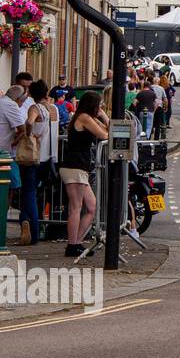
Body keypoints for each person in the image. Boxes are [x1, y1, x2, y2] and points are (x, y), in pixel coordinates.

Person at [60, 90, 110, 258]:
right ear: (93, 105)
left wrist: (104, 116)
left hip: (80, 167)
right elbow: (104, 135)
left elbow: (110, 131)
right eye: (99, 105)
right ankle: (72, 245)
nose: (101, 107)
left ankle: (77, 242)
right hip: (74, 166)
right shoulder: (84, 118)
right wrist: (102, 116)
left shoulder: (88, 118)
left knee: (92, 206)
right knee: (76, 208)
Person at [17, 80, 58, 245]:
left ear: (32, 94)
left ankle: (33, 233)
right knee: (37, 194)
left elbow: (29, 122)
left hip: (35, 157)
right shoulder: (53, 109)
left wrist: (28, 135)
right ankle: (25, 222)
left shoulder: (35, 108)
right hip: (50, 157)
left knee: (29, 193)